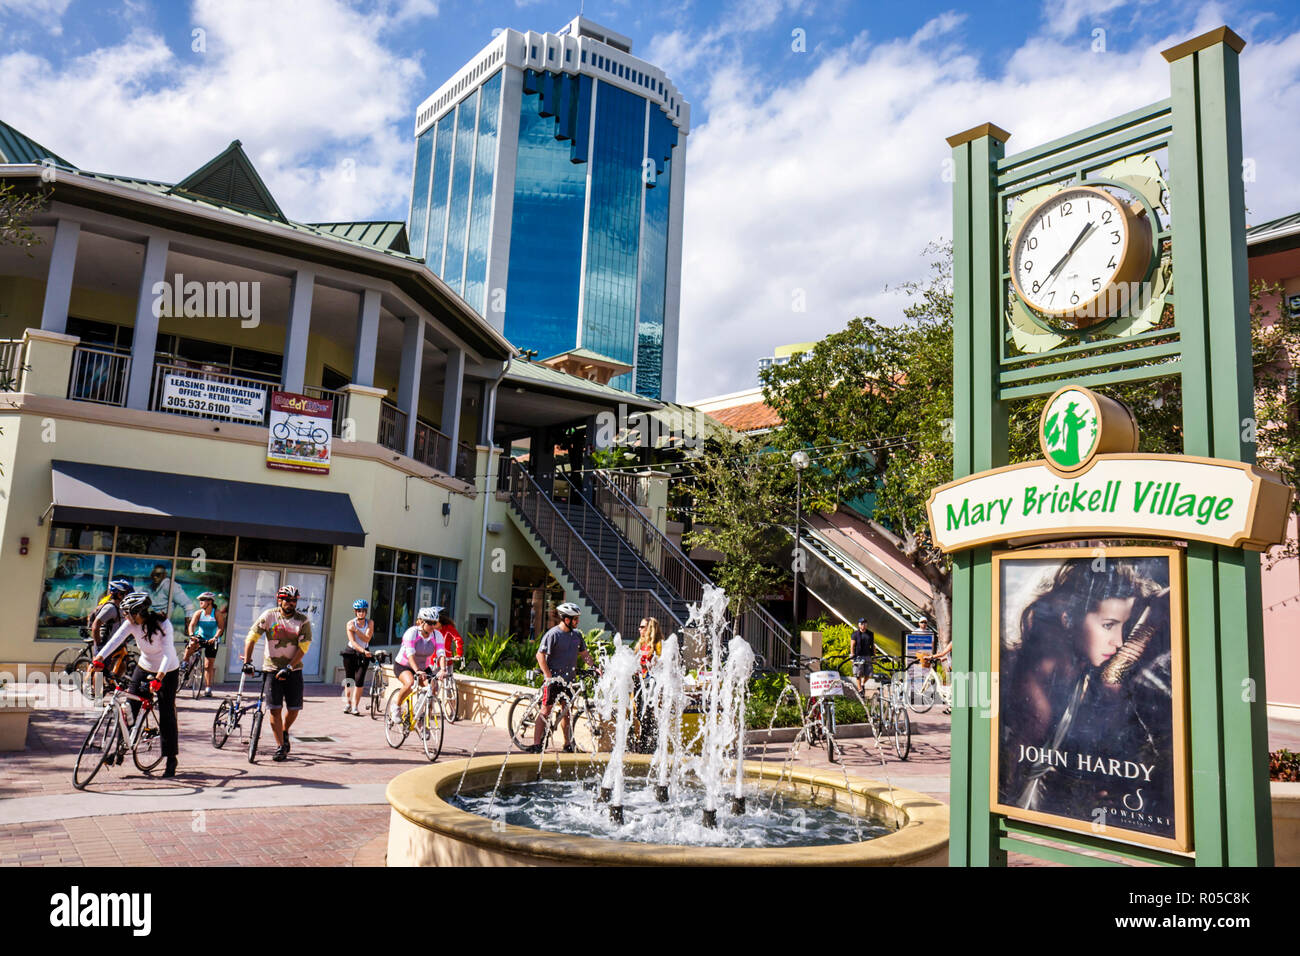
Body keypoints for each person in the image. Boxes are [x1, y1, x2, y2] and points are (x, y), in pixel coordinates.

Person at [998, 558, 1173, 833]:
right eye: (1108, 625)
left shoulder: (1080, 671)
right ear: (1068, 618)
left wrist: (1148, 623)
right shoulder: (1027, 677)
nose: (1117, 641)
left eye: (1122, 627)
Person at [91, 592, 181, 778]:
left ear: (137, 611)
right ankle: (119, 750)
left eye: (126, 612)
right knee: (130, 709)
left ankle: (171, 758)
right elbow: (115, 640)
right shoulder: (131, 624)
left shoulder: (163, 625)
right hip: (145, 666)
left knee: (166, 714)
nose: (124, 616)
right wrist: (99, 658)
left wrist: (159, 678)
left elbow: (167, 654)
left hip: (168, 670)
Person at [242, 584, 313, 762]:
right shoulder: (269, 615)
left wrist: (289, 667)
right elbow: (252, 637)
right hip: (272, 669)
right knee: (274, 709)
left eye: (294, 600)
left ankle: (284, 730)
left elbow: (304, 647)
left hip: (293, 670)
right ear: (279, 600)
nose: (291, 603)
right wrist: (247, 662)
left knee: (294, 709)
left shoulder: (302, 621)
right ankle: (281, 746)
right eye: (287, 600)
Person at [525, 602, 595, 754]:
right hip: (553, 680)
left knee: (566, 711)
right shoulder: (553, 634)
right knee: (545, 710)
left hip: (568, 680)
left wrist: (594, 667)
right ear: (566, 619)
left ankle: (567, 743)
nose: (577, 621)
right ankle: (537, 744)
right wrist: (548, 676)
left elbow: (584, 654)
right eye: (575, 619)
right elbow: (540, 655)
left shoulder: (577, 635)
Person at [389, 607, 443, 718]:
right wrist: (417, 670)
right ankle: (396, 706)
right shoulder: (412, 633)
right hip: (404, 665)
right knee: (410, 683)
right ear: (422, 622)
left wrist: (443, 669)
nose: (433, 626)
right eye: (430, 623)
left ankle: (419, 717)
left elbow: (441, 654)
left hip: (423, 667)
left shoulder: (437, 635)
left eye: (435, 623)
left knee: (431, 688)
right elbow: (410, 655)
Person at [184, 592, 226, 697]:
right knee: (192, 643)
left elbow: (221, 628)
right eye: (200, 600)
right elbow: (192, 625)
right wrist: (191, 634)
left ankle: (208, 687)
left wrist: (215, 637)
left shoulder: (217, 613)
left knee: (208, 665)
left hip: (212, 639)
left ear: (210, 602)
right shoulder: (198, 613)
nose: (200, 602)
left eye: (203, 600)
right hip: (201, 636)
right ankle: (184, 662)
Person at [342, 599, 374, 715]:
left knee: (359, 680)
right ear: (355, 612)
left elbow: (367, 639)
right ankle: (348, 704)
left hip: (364, 654)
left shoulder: (369, 623)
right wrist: (363, 650)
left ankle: (355, 706)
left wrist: (356, 630)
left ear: (366, 612)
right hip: (350, 652)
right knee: (349, 680)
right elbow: (353, 642)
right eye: (359, 611)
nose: (361, 613)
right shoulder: (349, 623)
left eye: (363, 611)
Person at [849, 618, 876, 696]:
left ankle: (863, 684)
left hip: (867, 655)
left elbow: (873, 645)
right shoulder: (855, 634)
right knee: (858, 673)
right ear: (859, 625)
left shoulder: (870, 634)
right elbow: (852, 645)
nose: (864, 625)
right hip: (858, 656)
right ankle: (860, 689)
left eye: (865, 623)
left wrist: (874, 656)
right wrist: (852, 655)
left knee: (869, 673)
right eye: (862, 623)